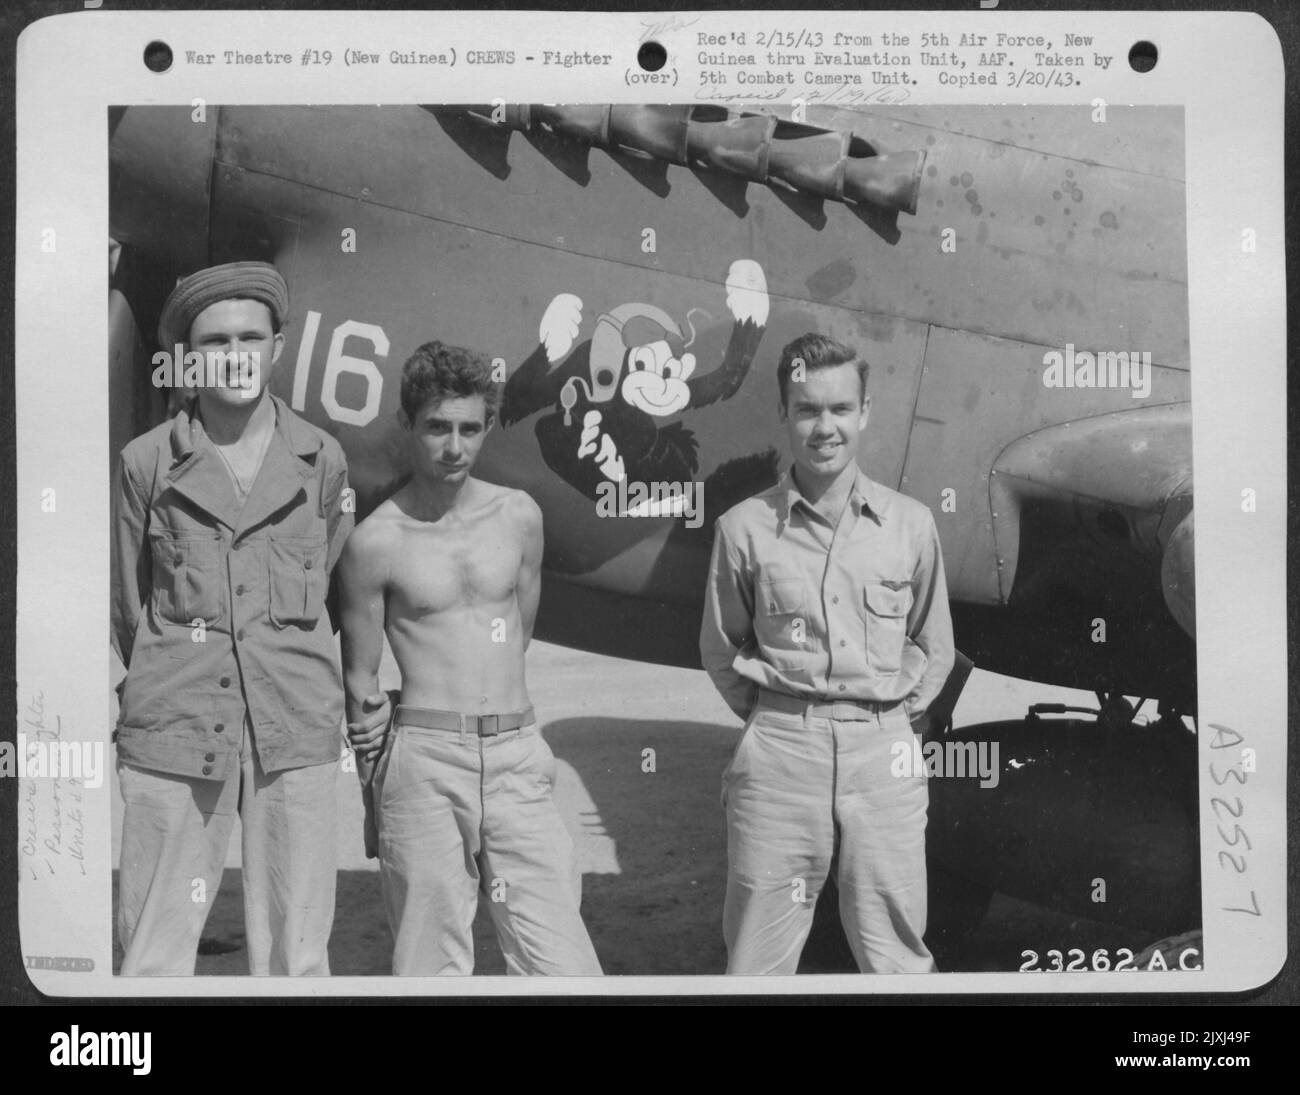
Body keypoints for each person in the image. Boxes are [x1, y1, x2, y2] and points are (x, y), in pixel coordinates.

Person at [111, 260, 389, 975]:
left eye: (250, 336)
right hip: (175, 720)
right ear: (185, 357)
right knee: (152, 947)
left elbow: (325, 568)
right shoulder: (147, 463)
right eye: (213, 341)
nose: (234, 354)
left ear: (277, 347)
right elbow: (129, 602)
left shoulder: (321, 459)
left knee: (296, 953)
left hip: (291, 723)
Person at [339, 340, 602, 977]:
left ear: (486, 427)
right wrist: (377, 803)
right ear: (409, 426)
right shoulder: (375, 542)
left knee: (565, 969)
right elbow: (361, 684)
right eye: (436, 428)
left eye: (468, 428)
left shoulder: (519, 518)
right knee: (430, 971)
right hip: (424, 763)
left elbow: (517, 637)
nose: (454, 447)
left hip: (516, 755)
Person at [699, 332, 955, 974]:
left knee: (895, 956)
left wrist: (892, 724)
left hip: (882, 754)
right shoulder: (743, 529)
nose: (825, 427)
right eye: (808, 410)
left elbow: (933, 644)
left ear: (865, 412)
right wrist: (778, 721)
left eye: (841, 409)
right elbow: (722, 649)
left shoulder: (911, 524)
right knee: (757, 960)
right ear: (785, 414)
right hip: (782, 754)